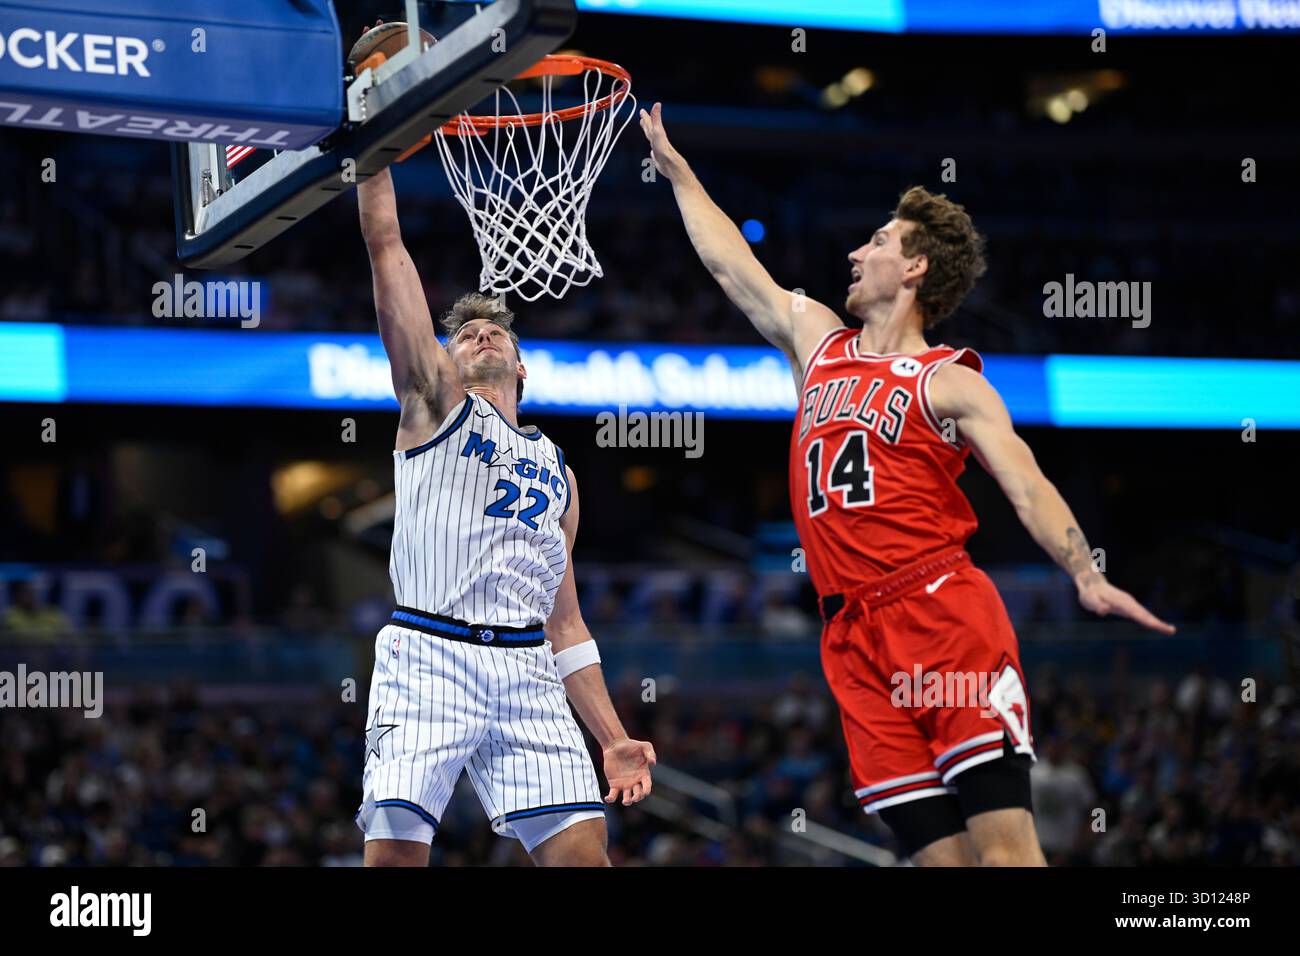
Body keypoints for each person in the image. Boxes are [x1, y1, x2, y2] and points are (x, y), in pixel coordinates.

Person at [641, 103, 1173, 866]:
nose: (856, 252)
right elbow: (734, 267)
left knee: (1006, 854)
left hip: (940, 614)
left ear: (915, 267)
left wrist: (1085, 571)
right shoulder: (818, 344)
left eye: (879, 241)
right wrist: (681, 174)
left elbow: (1025, 480)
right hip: (850, 636)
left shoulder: (948, 380)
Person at [354, 167, 655, 867]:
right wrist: (376, 152)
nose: (483, 336)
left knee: (585, 854)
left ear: (523, 369)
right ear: (446, 362)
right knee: (396, 854)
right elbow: (386, 244)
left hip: (526, 666)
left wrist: (611, 736)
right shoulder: (433, 404)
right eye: (466, 336)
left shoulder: (561, 473)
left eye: (496, 334)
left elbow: (567, 623)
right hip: (429, 651)